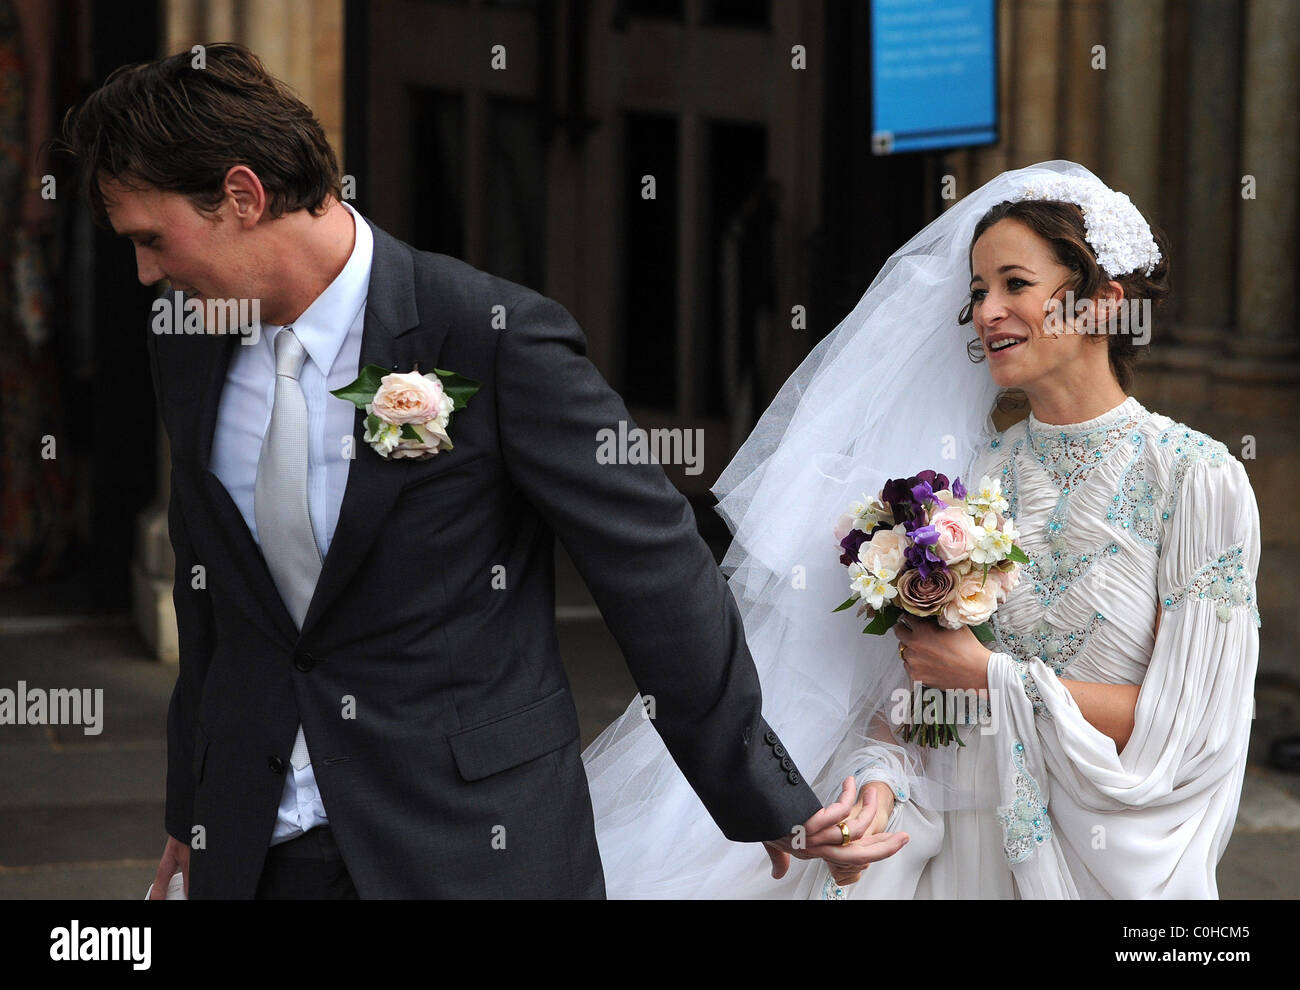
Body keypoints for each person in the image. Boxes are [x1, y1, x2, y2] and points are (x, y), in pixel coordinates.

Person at [57, 43, 906, 899]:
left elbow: (654, 572)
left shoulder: (492, 336)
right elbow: (212, 595)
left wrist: (761, 792)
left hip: (472, 850)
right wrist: (192, 810)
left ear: (241, 195)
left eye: (152, 238)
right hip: (263, 851)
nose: (145, 272)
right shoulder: (186, 339)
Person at [583, 159, 1261, 899]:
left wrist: (991, 677)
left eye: (1014, 284)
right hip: (970, 850)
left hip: (1111, 859)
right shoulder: (968, 480)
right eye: (977, 292)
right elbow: (915, 706)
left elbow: (1192, 727)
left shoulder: (1197, 478)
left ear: (1102, 303)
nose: (987, 310)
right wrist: (877, 786)